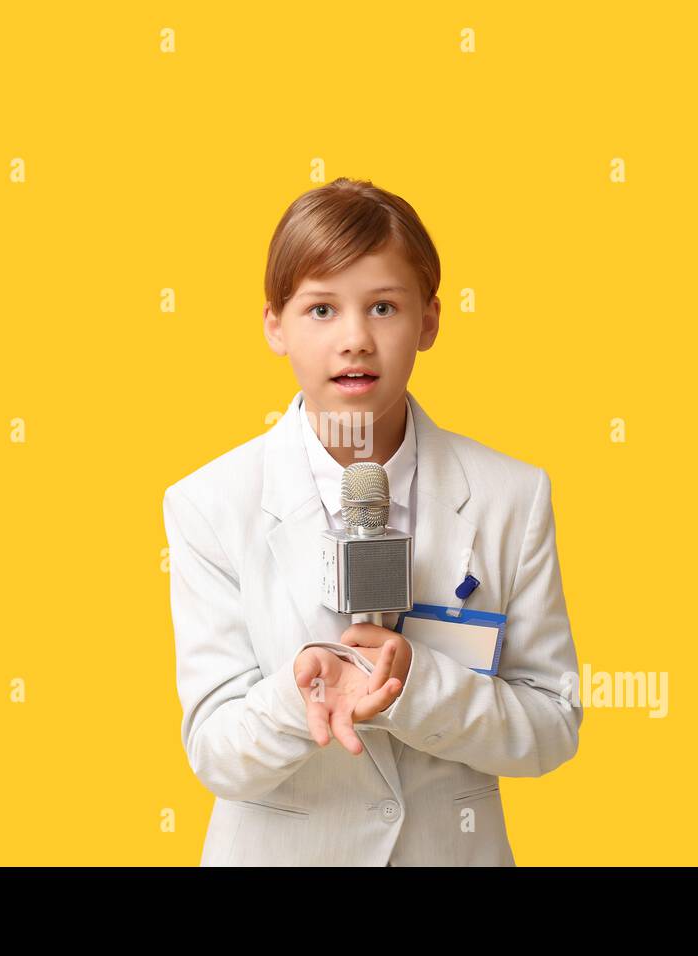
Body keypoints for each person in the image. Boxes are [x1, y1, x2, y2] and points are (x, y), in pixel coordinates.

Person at [163, 177, 582, 865]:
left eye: (383, 307)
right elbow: (215, 751)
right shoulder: (211, 504)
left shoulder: (512, 496)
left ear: (429, 321)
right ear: (275, 326)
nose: (355, 339)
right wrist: (299, 692)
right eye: (321, 309)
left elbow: (552, 724)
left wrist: (418, 686)